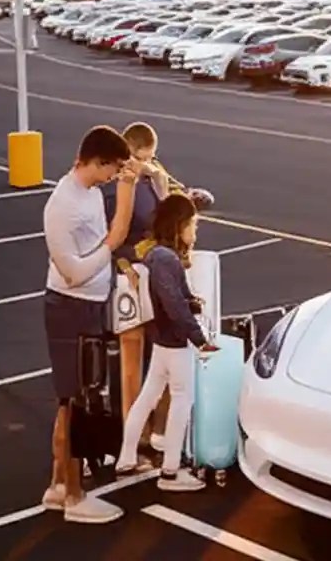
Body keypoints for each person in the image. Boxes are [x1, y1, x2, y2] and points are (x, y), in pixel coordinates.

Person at [40, 125, 141, 524]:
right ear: (97, 161)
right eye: (113, 169)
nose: (115, 175)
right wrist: (110, 248)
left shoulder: (92, 193)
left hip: (89, 306)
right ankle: (75, 498)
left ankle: (59, 484)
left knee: (73, 401)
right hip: (70, 307)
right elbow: (71, 272)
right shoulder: (61, 205)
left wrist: (135, 177)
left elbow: (112, 231)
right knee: (74, 403)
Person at [114, 193, 219, 491]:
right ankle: (171, 471)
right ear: (179, 225)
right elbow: (173, 303)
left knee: (147, 397)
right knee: (183, 399)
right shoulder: (166, 259)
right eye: (193, 225)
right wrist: (200, 340)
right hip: (174, 344)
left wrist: (190, 302)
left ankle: (126, 457)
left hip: (161, 341)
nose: (195, 232)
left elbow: (176, 297)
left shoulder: (156, 254)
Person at [102, 122, 168, 452]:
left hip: (153, 273)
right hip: (128, 276)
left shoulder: (149, 179)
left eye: (151, 158)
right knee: (131, 357)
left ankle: (155, 426)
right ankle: (132, 431)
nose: (145, 163)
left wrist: (158, 178)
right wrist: (125, 266)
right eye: (143, 157)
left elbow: (165, 220)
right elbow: (110, 238)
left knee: (159, 355)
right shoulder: (116, 188)